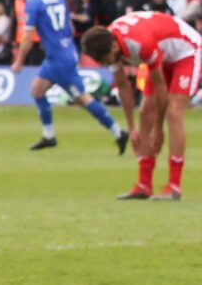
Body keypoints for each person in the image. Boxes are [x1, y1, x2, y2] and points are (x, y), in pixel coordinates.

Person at [82, 11, 200, 201]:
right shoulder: (108, 45)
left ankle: (174, 186)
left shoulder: (140, 44)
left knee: (174, 112)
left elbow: (160, 85)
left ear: (113, 46)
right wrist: (131, 129)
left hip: (188, 52)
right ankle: (144, 185)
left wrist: (158, 129)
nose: (106, 64)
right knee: (145, 113)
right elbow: (123, 86)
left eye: (105, 60)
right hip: (163, 56)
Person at [13, 0, 127, 153]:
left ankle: (118, 132)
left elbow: (28, 35)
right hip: (63, 53)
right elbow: (70, 29)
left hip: (59, 58)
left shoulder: (33, 2)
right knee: (37, 90)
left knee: (83, 99)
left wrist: (19, 60)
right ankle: (48, 135)